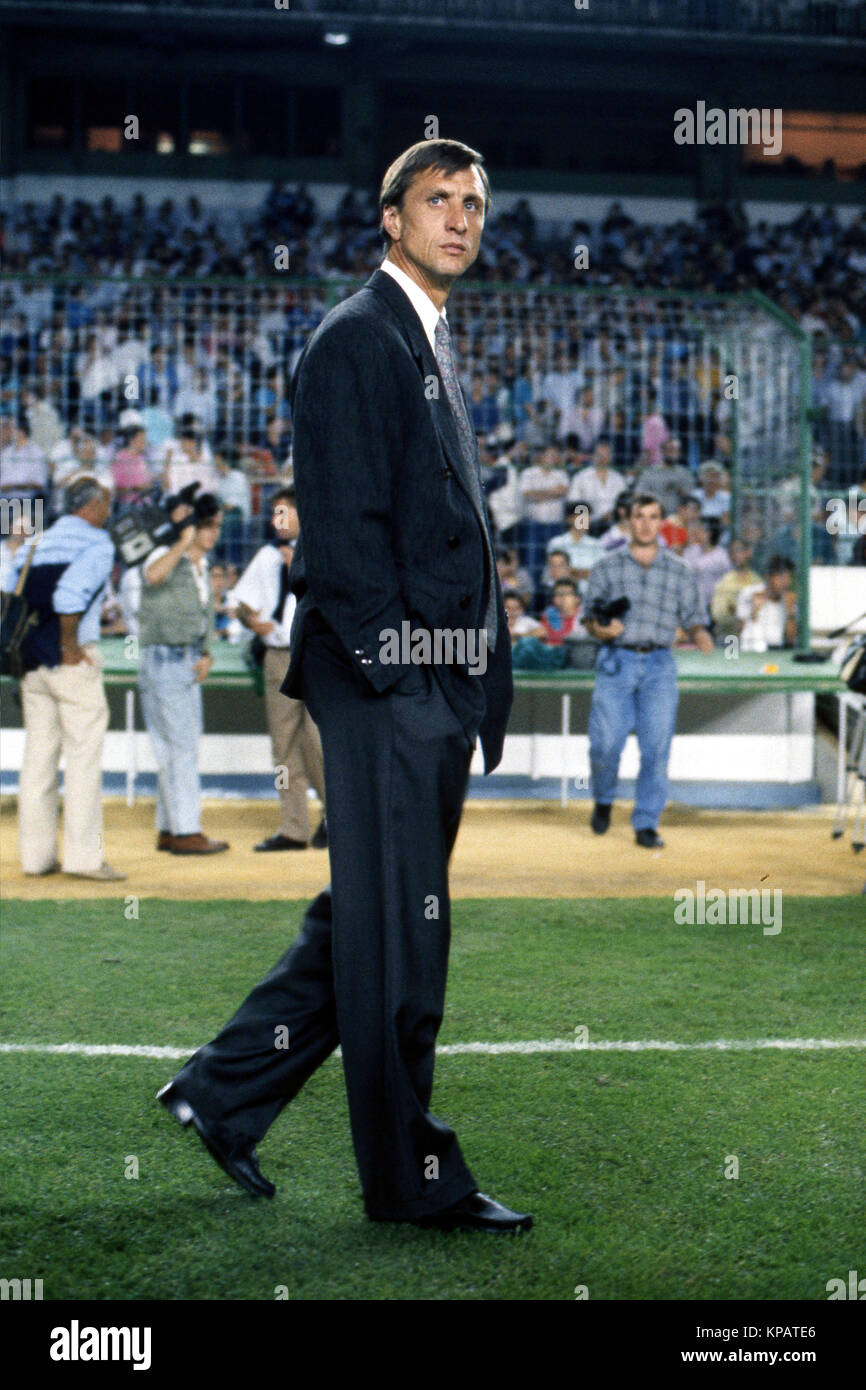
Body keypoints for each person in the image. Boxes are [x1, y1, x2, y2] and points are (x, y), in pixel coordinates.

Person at [156, 138, 530, 1234]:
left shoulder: (417, 335)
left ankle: (219, 1093)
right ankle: (411, 1183)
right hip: (393, 694)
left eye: (472, 200)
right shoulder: (356, 338)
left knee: (364, 924)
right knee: (401, 947)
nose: (459, 218)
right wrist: (407, 686)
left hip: (427, 695)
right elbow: (347, 539)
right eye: (438, 200)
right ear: (391, 217)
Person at [2, 474, 125, 880]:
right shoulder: (97, 543)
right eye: (105, 504)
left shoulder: (37, 541)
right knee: (83, 759)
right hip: (70, 660)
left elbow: (9, 591)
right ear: (89, 507)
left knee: (37, 760)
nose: (108, 512)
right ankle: (84, 859)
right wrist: (70, 646)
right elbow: (70, 596)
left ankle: (36, 859)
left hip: (30, 663)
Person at [583, 492, 713, 849]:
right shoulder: (606, 566)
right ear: (629, 520)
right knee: (605, 744)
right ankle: (604, 798)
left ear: (662, 523)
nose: (645, 523)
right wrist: (601, 629)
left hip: (659, 664)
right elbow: (589, 617)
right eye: (639, 516)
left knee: (656, 748)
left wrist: (702, 635)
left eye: (653, 516)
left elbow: (695, 618)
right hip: (616, 660)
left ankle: (646, 821)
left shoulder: (680, 570)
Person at [231, 486, 327, 851]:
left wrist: (300, 569)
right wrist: (249, 618)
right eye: (274, 514)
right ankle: (293, 827)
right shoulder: (267, 556)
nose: (276, 521)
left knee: (320, 743)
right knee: (284, 745)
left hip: (318, 654)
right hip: (279, 656)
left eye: (283, 512)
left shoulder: (325, 550)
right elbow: (240, 602)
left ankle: (337, 817)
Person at [137, 490, 228, 855]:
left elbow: (205, 614)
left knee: (174, 749)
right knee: (181, 750)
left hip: (183, 660)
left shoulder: (202, 566)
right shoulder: (167, 554)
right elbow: (153, 574)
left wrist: (207, 652)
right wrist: (183, 540)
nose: (212, 534)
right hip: (164, 659)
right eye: (206, 526)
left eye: (216, 527)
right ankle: (186, 829)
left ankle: (169, 828)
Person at [736, 556, 798, 652]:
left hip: (778, 652)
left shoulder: (790, 600)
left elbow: (791, 640)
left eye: (789, 577)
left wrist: (790, 611)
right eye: (781, 577)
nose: (785, 582)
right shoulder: (749, 593)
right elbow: (739, 631)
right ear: (768, 577)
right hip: (751, 652)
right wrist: (755, 611)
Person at [710, 537, 762, 638]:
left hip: (753, 638)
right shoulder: (724, 583)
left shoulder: (758, 581)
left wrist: (735, 610)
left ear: (748, 553)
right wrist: (740, 617)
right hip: (730, 638)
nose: (736, 555)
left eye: (739, 550)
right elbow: (718, 614)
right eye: (732, 552)